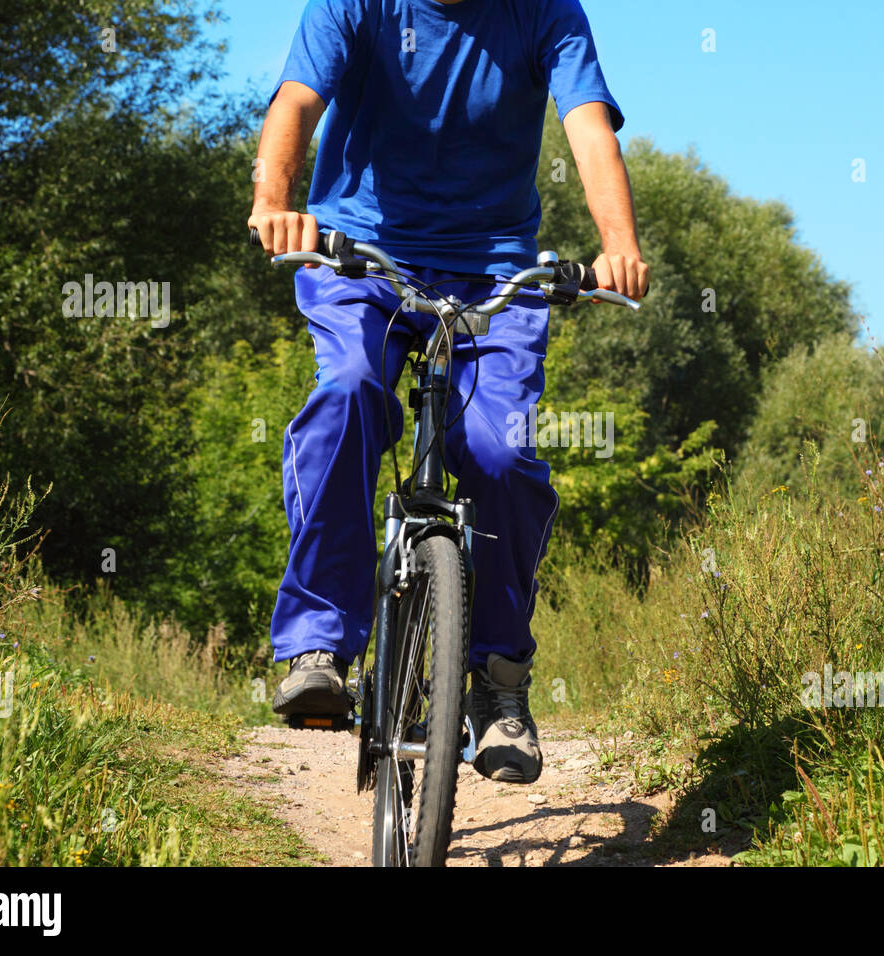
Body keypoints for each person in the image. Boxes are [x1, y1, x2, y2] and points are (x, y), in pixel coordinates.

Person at [249, 0, 649, 785]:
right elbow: (295, 101)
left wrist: (620, 247)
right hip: (358, 256)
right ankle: (317, 642)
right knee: (352, 393)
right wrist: (275, 203)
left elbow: (589, 126)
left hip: (497, 270)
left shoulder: (545, 12)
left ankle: (499, 688)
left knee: (501, 455)